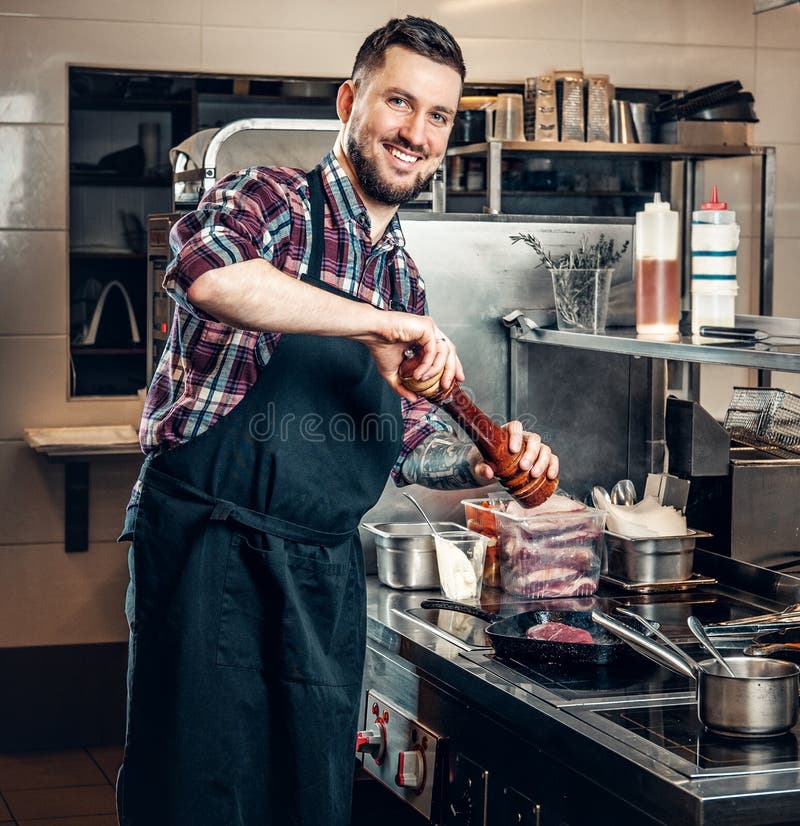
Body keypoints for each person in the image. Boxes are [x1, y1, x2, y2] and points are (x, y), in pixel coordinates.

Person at [117, 15, 558, 826]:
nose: (416, 133)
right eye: (399, 102)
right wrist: (375, 324)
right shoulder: (270, 202)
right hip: (214, 551)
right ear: (351, 102)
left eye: (438, 116)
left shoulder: (404, 279)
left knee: (307, 798)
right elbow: (205, 274)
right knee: (199, 797)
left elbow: (408, 445)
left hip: (320, 577)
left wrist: (479, 463)